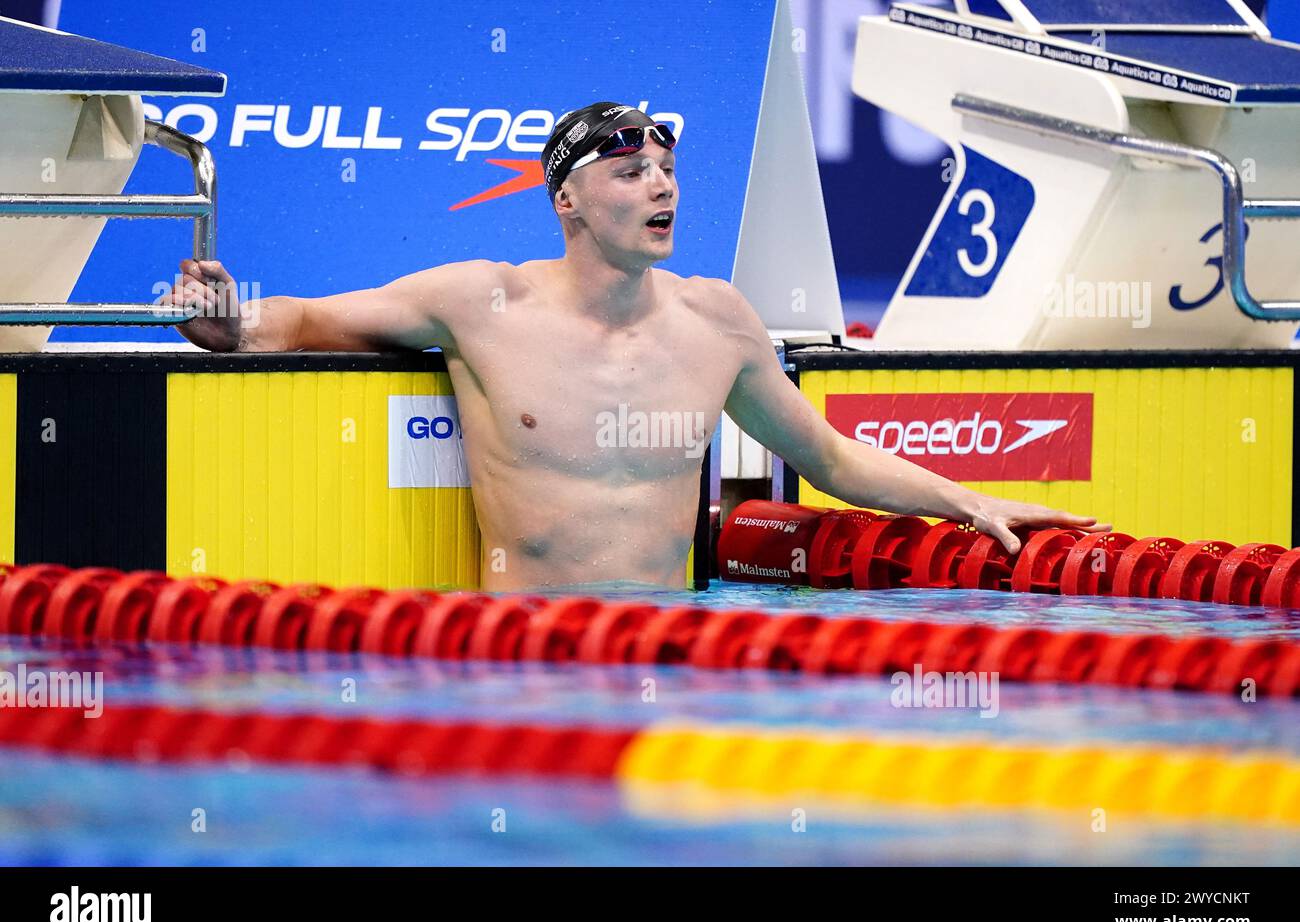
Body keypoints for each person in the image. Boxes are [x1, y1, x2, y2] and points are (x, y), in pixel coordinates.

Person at [165, 102, 1109, 589]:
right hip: (522, 667)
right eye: (630, 171)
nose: (662, 187)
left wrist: (968, 502)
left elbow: (824, 456)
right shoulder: (482, 302)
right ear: (566, 200)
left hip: (671, 652)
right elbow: (307, 322)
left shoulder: (717, 321)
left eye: (666, 168)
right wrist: (226, 319)